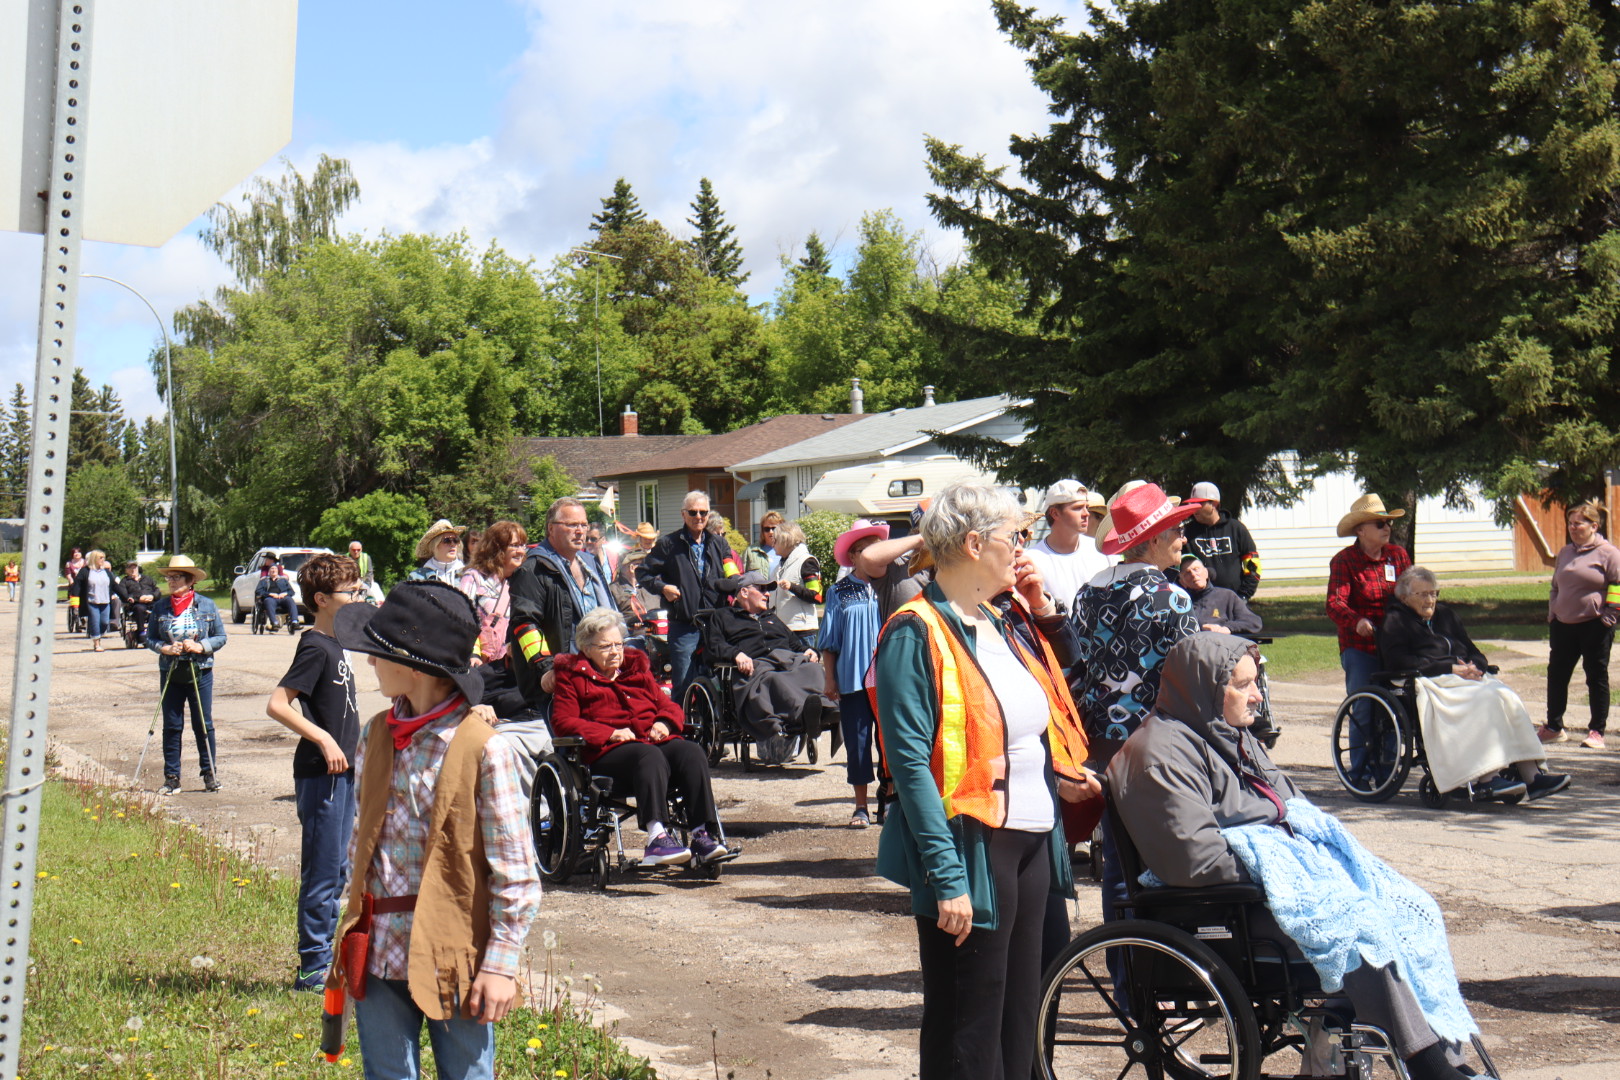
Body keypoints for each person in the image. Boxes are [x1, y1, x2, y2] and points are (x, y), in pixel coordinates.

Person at [1109, 633, 1489, 1080]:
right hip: (1222, 908)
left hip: (1272, 889)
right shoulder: (1159, 754)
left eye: (1257, 683)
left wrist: (1305, 859)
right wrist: (1280, 870)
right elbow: (1193, 859)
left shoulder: (1231, 736)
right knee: (1358, 927)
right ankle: (1427, 1065)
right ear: (1208, 687)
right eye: (1244, 685)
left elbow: (1292, 807)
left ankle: (1443, 1051)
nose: (1257, 697)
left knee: (1413, 909)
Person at [872, 481, 1100, 1080]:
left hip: (1030, 841)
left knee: (1020, 1020)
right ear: (974, 544)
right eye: (1014, 537)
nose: (1022, 547)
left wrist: (1057, 770)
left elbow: (1030, 714)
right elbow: (911, 765)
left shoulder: (1001, 618)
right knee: (967, 1026)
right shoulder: (913, 630)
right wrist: (947, 876)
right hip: (972, 846)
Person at [332, 580, 540, 1080]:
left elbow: (515, 873)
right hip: (378, 945)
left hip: (454, 953)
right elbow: (365, 840)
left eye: (377, 654)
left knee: (466, 1074)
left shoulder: (484, 749)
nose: (369, 663)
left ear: (411, 663)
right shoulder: (375, 734)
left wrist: (500, 965)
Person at [550, 607, 730, 867]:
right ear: (586, 649)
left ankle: (701, 834)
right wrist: (609, 733)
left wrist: (665, 722)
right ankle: (657, 838)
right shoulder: (573, 676)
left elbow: (668, 706)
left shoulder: (635, 669)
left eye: (618, 644)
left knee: (690, 751)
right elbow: (563, 722)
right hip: (606, 752)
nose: (615, 651)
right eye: (606, 646)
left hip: (649, 743)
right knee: (649, 755)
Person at [263, 553, 365, 992]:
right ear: (322, 599)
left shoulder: (337, 643)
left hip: (343, 773)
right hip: (320, 774)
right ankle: (311, 967)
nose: (357, 596)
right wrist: (323, 739)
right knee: (323, 871)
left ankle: (328, 957)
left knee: (340, 868)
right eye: (350, 592)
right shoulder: (314, 646)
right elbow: (277, 704)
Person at [1380, 566, 1568, 802]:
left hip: (1464, 677)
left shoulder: (1445, 615)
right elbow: (1398, 660)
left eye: (1433, 593)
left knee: (1506, 696)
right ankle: (1487, 778)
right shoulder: (1395, 620)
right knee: (1485, 700)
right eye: (1423, 594)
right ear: (1405, 598)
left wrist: (1476, 666)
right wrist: (1450, 667)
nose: (1430, 600)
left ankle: (1532, 775)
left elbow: (1473, 650)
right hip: (1431, 679)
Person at [703, 571, 830, 764]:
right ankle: (804, 713)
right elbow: (714, 646)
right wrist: (735, 654)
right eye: (762, 589)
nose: (767, 594)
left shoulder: (771, 618)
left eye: (768, 590)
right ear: (744, 592)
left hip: (787, 661)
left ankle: (824, 709)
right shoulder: (723, 616)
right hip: (757, 668)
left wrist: (809, 650)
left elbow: (795, 644)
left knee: (813, 669)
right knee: (775, 679)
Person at [819, 518, 895, 828]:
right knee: (858, 742)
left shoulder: (889, 585)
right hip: (853, 679)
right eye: (864, 550)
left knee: (890, 742)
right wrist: (829, 677)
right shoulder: (839, 592)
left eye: (876, 548)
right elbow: (829, 640)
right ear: (853, 557)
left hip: (888, 679)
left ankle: (889, 802)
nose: (872, 555)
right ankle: (861, 806)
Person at [636, 491, 741, 701]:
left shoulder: (719, 544)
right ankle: (681, 729)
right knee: (684, 684)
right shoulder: (668, 544)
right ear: (683, 514)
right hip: (684, 624)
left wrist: (736, 589)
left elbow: (734, 576)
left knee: (718, 682)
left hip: (715, 624)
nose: (699, 517)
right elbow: (643, 573)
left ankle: (711, 729)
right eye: (693, 512)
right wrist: (663, 587)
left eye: (703, 512)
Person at [1539, 499, 1620, 749]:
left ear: (1594, 526)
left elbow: (1617, 586)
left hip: (1594, 625)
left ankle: (1597, 731)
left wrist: (1609, 616)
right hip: (1563, 624)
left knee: (1595, 677)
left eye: (1579, 524)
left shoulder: (1609, 553)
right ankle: (1554, 727)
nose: (1573, 528)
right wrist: (1554, 611)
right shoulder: (1565, 552)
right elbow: (1555, 585)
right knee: (1557, 675)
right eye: (1570, 524)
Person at [145, 556, 227, 795]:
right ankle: (172, 777)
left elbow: (221, 637)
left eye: (176, 577)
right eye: (169, 577)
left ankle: (209, 773)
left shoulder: (207, 605)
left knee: (203, 723)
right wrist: (165, 648)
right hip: (171, 671)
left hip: (200, 670)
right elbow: (150, 638)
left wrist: (200, 646)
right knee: (172, 725)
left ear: (190, 580)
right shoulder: (160, 607)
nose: (171, 581)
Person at [1327, 493, 1413, 694]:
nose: (1387, 528)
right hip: (1361, 646)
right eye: (1380, 524)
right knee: (1364, 705)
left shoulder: (1398, 555)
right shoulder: (1344, 560)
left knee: (1408, 700)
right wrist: (1357, 621)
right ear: (1361, 530)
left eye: (1388, 523)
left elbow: (1413, 592)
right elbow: (1335, 603)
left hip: (1397, 642)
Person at [457, 522, 530, 719]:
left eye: (523, 545)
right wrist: (473, 653)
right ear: (496, 548)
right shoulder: (474, 578)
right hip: (482, 667)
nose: (520, 551)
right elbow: (461, 621)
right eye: (514, 545)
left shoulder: (523, 580)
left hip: (513, 666)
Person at [1025, 479, 1111, 611]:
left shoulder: (1101, 550)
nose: (1086, 514)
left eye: (1086, 507)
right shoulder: (1033, 560)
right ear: (1055, 513)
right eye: (1077, 508)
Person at [1181, 481, 1261, 598]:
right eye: (1192, 505)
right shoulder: (1186, 533)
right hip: (1200, 603)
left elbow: (1253, 565)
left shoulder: (1236, 528)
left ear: (1214, 504)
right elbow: (1178, 568)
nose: (1194, 509)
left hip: (1235, 599)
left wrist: (1243, 596)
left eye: (1199, 504)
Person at [1179, 554, 1262, 636]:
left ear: (1206, 572)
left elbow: (1254, 622)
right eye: (1187, 573)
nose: (1193, 575)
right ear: (1182, 581)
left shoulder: (1227, 596)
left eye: (1196, 569)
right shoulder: (1180, 602)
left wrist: (1227, 628)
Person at [770, 520, 823, 648]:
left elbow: (817, 596)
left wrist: (792, 587)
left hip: (801, 631)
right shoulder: (779, 565)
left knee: (803, 668)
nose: (772, 544)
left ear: (785, 540)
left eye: (775, 540)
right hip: (780, 629)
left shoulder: (807, 561)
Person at [73, 549, 117, 651]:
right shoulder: (85, 571)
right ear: (94, 559)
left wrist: (127, 596)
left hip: (105, 601)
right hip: (92, 601)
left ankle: (97, 636)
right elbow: (77, 587)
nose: (103, 560)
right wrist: (75, 603)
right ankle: (97, 643)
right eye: (100, 558)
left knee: (104, 622)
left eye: (104, 558)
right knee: (95, 621)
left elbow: (114, 585)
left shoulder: (106, 572)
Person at [407, 519, 466, 586]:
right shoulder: (417, 577)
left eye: (455, 540)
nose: (453, 544)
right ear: (434, 545)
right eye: (447, 540)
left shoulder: (468, 575)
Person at [115, 560, 159, 644]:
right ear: (126, 570)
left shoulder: (147, 579)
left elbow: (157, 590)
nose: (133, 570)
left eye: (134, 568)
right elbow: (124, 595)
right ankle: (141, 632)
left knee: (159, 607)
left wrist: (152, 596)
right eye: (130, 568)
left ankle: (156, 631)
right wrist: (138, 599)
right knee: (139, 608)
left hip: (151, 601)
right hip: (135, 604)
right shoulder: (124, 581)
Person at [257, 561, 299, 632]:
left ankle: (295, 622)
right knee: (268, 601)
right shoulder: (264, 581)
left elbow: (291, 592)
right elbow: (258, 591)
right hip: (271, 598)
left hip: (283, 598)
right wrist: (270, 594)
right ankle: (274, 623)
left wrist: (285, 594)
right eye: (272, 569)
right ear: (269, 572)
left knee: (290, 600)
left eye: (275, 569)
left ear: (277, 571)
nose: (273, 570)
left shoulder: (283, 580)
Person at [746, 510, 784, 578]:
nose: (771, 532)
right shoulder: (751, 551)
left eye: (774, 528)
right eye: (767, 529)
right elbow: (743, 577)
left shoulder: (788, 550)